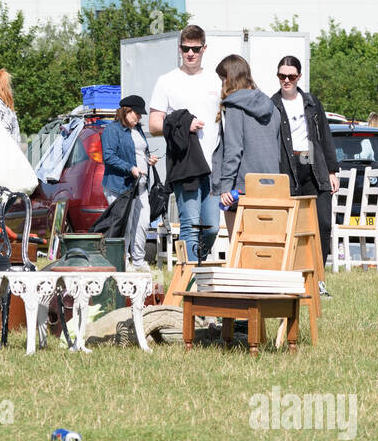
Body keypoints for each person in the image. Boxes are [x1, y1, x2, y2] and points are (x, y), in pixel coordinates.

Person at [149, 25, 223, 263]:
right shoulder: (166, 81)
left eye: (196, 49)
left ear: (204, 48)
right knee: (190, 226)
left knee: (211, 227)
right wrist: (182, 125)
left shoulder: (216, 80)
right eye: (185, 49)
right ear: (179, 48)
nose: (191, 53)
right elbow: (153, 124)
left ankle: (196, 263)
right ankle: (194, 280)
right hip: (185, 165)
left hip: (214, 167)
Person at [272, 55, 340, 295]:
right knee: (288, 226)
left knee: (321, 223)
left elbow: (325, 135)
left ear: (299, 76)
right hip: (286, 166)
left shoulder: (311, 102)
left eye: (291, 76)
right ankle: (288, 279)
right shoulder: (272, 104)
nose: (286, 80)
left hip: (311, 162)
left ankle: (318, 280)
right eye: (282, 76)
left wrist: (332, 170)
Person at [212, 54, 282, 224]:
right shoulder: (273, 107)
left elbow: (233, 149)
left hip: (242, 188)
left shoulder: (235, 107)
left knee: (238, 246)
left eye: (222, 80)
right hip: (272, 185)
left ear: (230, 79)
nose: (221, 85)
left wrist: (225, 186)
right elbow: (278, 151)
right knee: (264, 245)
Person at [100, 95, 158, 270]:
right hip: (120, 186)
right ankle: (122, 260)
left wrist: (149, 160)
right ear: (126, 111)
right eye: (136, 114)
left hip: (140, 185)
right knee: (124, 225)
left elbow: (141, 152)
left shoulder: (138, 130)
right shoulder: (112, 130)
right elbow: (109, 157)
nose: (139, 117)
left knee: (142, 223)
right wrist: (130, 168)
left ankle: (139, 260)